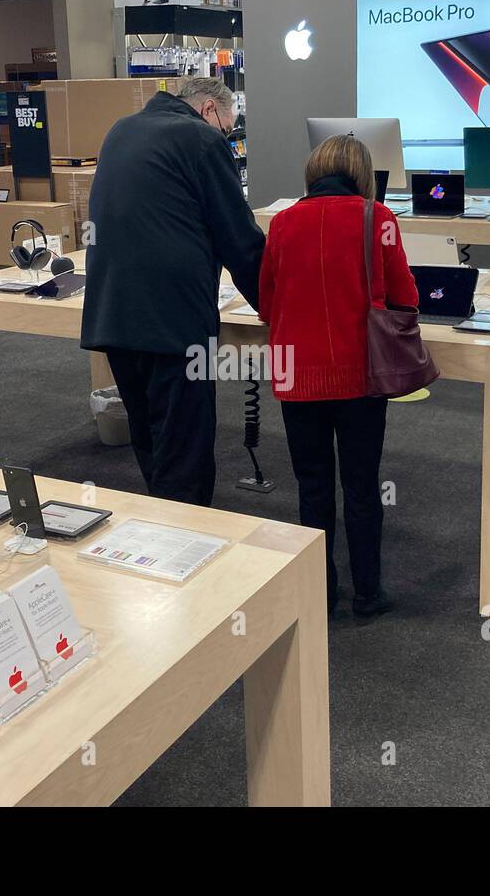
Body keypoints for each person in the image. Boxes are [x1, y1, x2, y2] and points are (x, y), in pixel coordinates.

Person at [81, 77, 263, 507]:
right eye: (228, 129)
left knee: (148, 438)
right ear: (208, 111)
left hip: (115, 316)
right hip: (175, 326)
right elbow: (238, 238)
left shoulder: (120, 130)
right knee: (185, 450)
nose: (226, 138)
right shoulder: (200, 139)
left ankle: (158, 534)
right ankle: (185, 548)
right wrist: (273, 303)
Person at [259, 135, 419, 622]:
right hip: (360, 374)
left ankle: (320, 591)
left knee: (312, 486)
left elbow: (267, 302)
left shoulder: (283, 223)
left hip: (297, 373)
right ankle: (368, 593)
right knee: (362, 486)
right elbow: (405, 295)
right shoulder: (379, 219)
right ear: (363, 174)